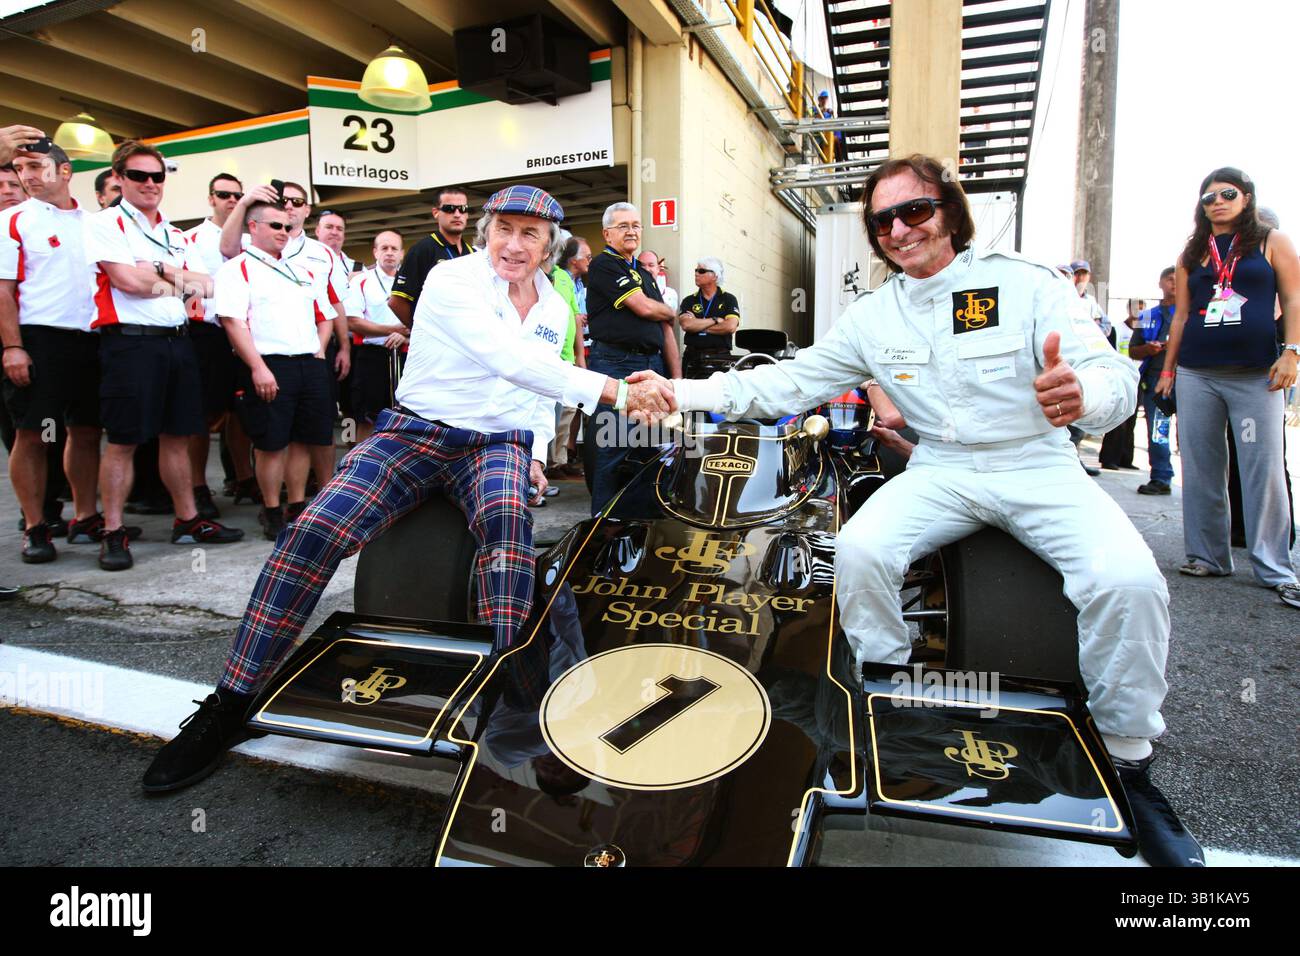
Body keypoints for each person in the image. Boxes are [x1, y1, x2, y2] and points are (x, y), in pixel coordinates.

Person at [664, 153, 1203, 867]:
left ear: (948, 210)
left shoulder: (1025, 284)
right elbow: (786, 385)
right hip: (943, 469)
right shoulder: (872, 316)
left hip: (1038, 464)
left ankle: (1129, 764)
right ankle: (888, 698)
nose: (898, 228)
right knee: (860, 553)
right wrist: (682, 395)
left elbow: (1111, 378)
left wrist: (1085, 400)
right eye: (882, 218)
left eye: (913, 209)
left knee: (1128, 584)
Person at [140, 185, 675, 793]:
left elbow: (536, 391)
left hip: (494, 443)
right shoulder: (452, 280)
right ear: (485, 231)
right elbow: (505, 359)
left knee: (509, 543)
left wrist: (528, 449)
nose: (514, 244)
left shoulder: (554, 305)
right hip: (414, 434)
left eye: (531, 234)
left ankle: (521, 716)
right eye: (505, 228)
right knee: (313, 532)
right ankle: (228, 704)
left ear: (549, 246)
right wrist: (617, 392)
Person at [84, 141, 244, 571]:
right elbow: (126, 282)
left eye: (157, 176)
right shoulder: (106, 223)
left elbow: (207, 286)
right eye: (139, 176)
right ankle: (113, 531)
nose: (150, 184)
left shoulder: (174, 232)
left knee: (178, 434)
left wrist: (155, 268)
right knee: (123, 440)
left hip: (177, 339)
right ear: (118, 178)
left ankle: (188, 519)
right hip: (130, 342)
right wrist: (171, 276)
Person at [1154, 167, 1299, 609]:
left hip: (1256, 374)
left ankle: (1274, 566)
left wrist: (1292, 351)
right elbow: (1180, 316)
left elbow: (1294, 299)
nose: (1217, 201)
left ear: (1247, 198)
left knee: (1263, 468)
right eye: (1208, 196)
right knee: (1201, 465)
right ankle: (1208, 556)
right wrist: (1168, 369)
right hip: (1199, 372)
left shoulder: (1272, 242)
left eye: (1227, 193)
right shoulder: (1192, 252)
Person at [0, 144, 112, 562]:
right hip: (40, 341)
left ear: (64, 170)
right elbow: (3, 291)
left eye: (34, 166)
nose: (25, 175)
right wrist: (13, 346)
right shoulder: (11, 221)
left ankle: (85, 516)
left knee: (85, 431)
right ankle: (35, 526)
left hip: (93, 339)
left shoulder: (96, 223)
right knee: (34, 434)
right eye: (19, 167)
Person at [214, 201, 335, 539]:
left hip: (307, 364)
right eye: (275, 226)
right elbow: (233, 322)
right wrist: (258, 367)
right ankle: (270, 510)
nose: (283, 232)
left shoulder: (302, 270)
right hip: (269, 364)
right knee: (272, 443)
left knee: (303, 439)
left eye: (287, 227)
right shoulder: (237, 268)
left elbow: (324, 315)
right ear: (253, 227)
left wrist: (319, 352)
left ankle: (297, 505)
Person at [583, 202, 681, 514]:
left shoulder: (641, 271)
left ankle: (643, 521)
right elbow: (646, 309)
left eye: (636, 225)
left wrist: (675, 377)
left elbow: (664, 326)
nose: (631, 231)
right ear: (606, 233)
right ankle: (603, 528)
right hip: (616, 365)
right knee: (614, 447)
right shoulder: (604, 265)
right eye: (623, 226)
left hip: (652, 366)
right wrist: (669, 310)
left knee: (652, 446)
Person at [183, 173, 249, 520]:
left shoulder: (253, 238)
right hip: (207, 333)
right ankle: (196, 485)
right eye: (224, 194)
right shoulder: (190, 238)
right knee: (204, 414)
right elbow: (182, 288)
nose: (231, 199)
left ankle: (244, 477)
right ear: (211, 198)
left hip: (246, 333)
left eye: (238, 195)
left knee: (241, 413)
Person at [343, 230, 407, 443]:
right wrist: (394, 330)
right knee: (365, 417)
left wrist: (405, 335)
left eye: (394, 248)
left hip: (406, 356)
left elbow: (424, 321)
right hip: (371, 356)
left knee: (405, 416)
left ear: (402, 253)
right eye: (384, 248)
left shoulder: (413, 282)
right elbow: (353, 321)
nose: (389, 253)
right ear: (375, 252)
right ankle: (359, 463)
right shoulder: (361, 280)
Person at [387, 186, 472, 326]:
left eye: (462, 209)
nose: (457, 214)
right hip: (435, 339)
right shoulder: (422, 250)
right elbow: (396, 302)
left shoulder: (471, 252)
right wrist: (421, 331)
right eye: (450, 209)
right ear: (436, 212)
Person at [1129, 267, 1178, 494]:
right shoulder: (1146, 317)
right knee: (1158, 430)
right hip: (1156, 381)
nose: (1175, 283)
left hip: (1189, 379)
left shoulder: (1194, 313)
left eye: (1179, 279)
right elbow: (1133, 351)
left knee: (1192, 434)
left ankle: (1201, 482)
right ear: (1160, 283)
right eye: (1170, 279)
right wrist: (1149, 349)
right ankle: (1161, 477)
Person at [545, 235, 589, 489]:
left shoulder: (566, 280)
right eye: (587, 256)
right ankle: (546, 463)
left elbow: (574, 317)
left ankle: (559, 460)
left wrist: (580, 356)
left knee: (567, 410)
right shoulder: (552, 275)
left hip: (568, 357)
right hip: (552, 357)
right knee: (550, 413)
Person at [678, 256, 741, 378]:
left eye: (701, 271)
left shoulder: (729, 299)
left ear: (715, 276)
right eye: (696, 270)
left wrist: (698, 325)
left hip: (720, 357)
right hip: (693, 357)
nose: (696, 273)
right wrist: (715, 320)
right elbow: (686, 324)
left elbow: (730, 326)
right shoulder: (689, 300)